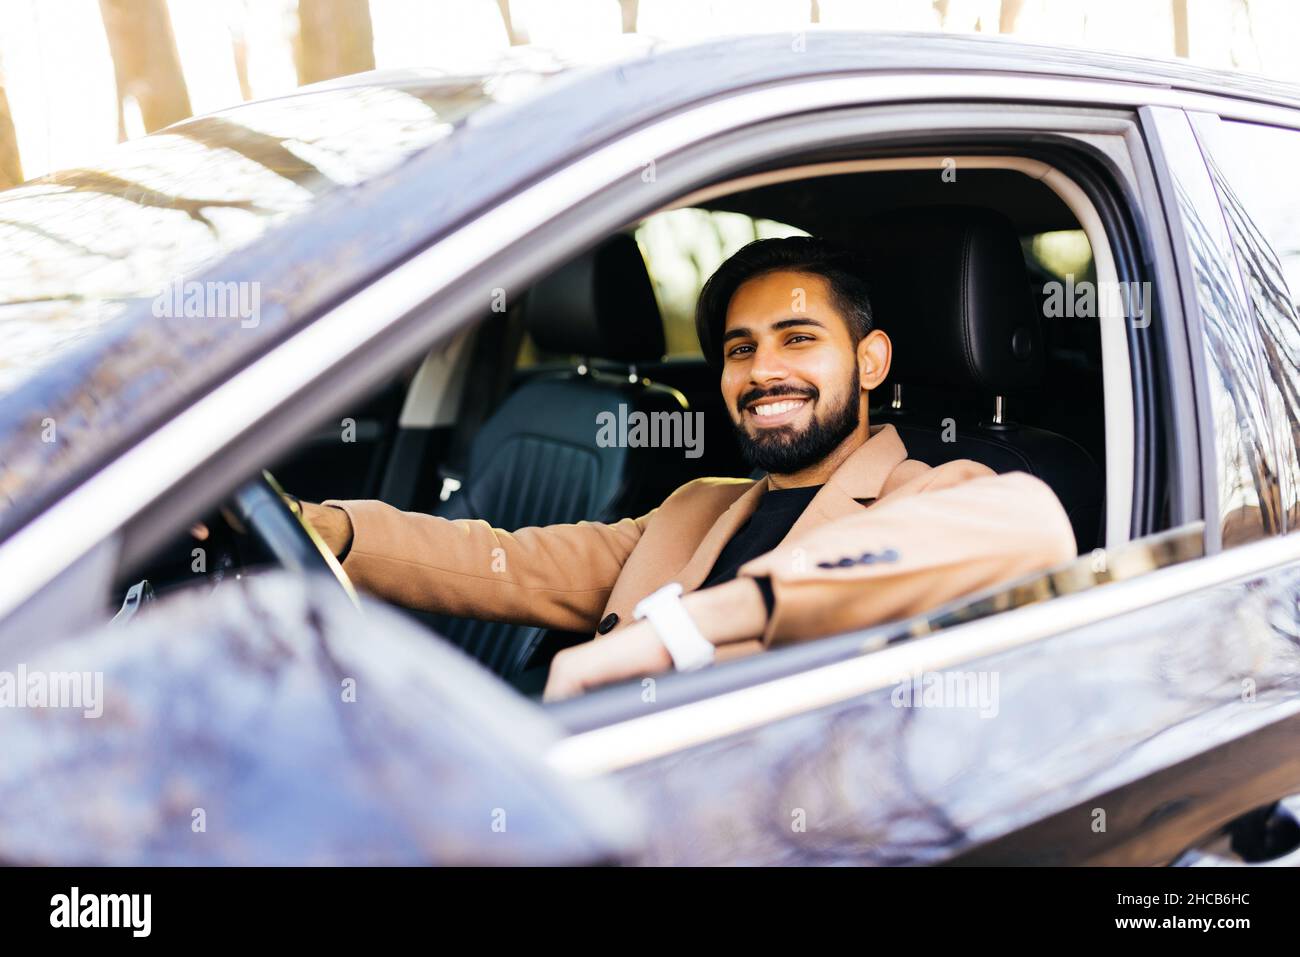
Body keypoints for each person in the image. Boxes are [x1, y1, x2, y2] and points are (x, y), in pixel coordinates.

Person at [299, 237, 1077, 700]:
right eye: (742, 349)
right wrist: (326, 528)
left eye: (798, 338)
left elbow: (1033, 525)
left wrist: (671, 634)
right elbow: (510, 560)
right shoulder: (697, 505)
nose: (763, 370)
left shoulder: (929, 493)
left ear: (871, 362)